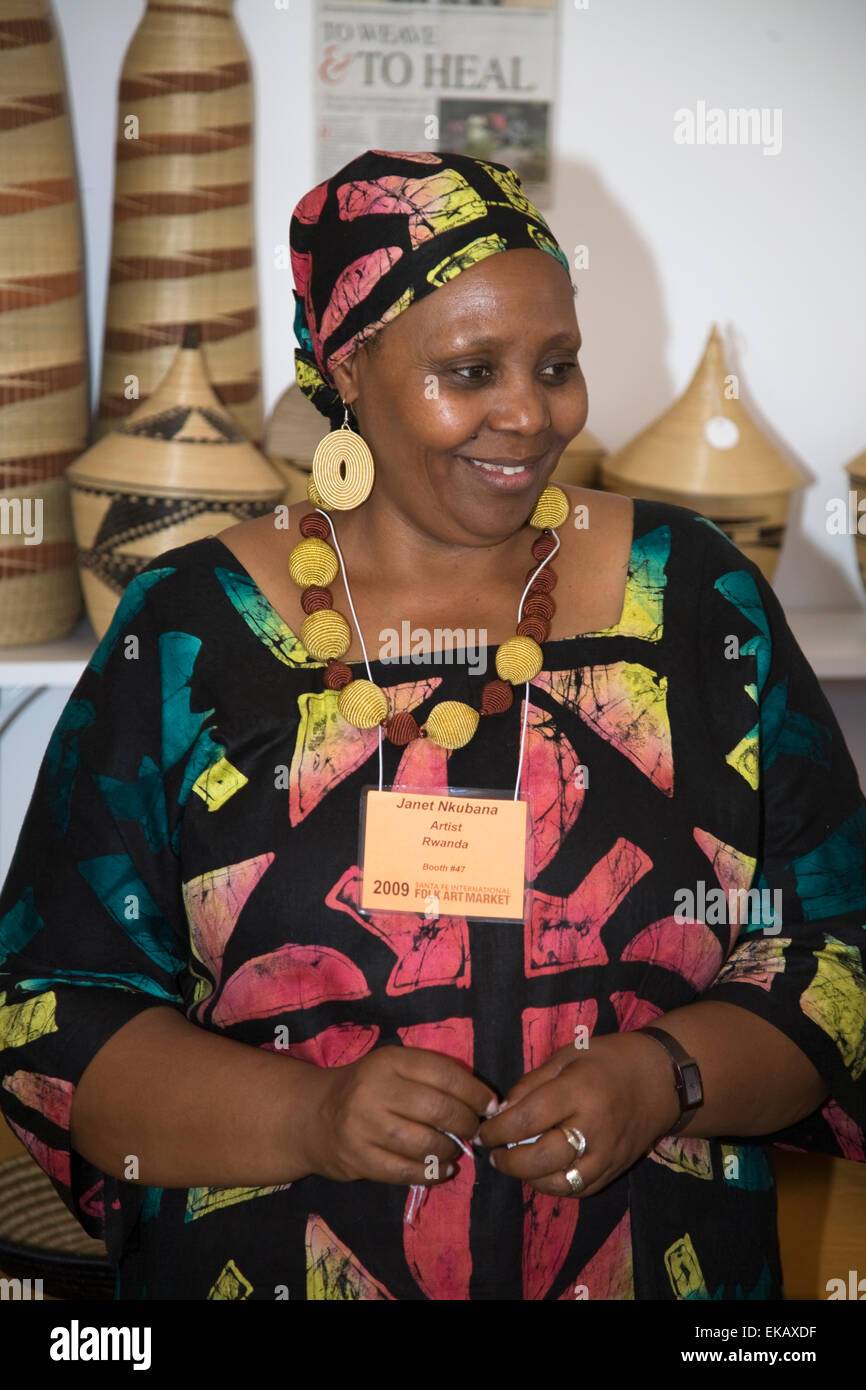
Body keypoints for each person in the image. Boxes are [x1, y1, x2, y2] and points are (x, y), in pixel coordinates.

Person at [1, 148, 864, 1301]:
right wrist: (309, 1115)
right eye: (471, 368)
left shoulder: (696, 597)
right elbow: (57, 1010)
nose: (528, 412)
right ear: (348, 370)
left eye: (555, 364)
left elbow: (833, 954)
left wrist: (665, 1075)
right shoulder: (193, 630)